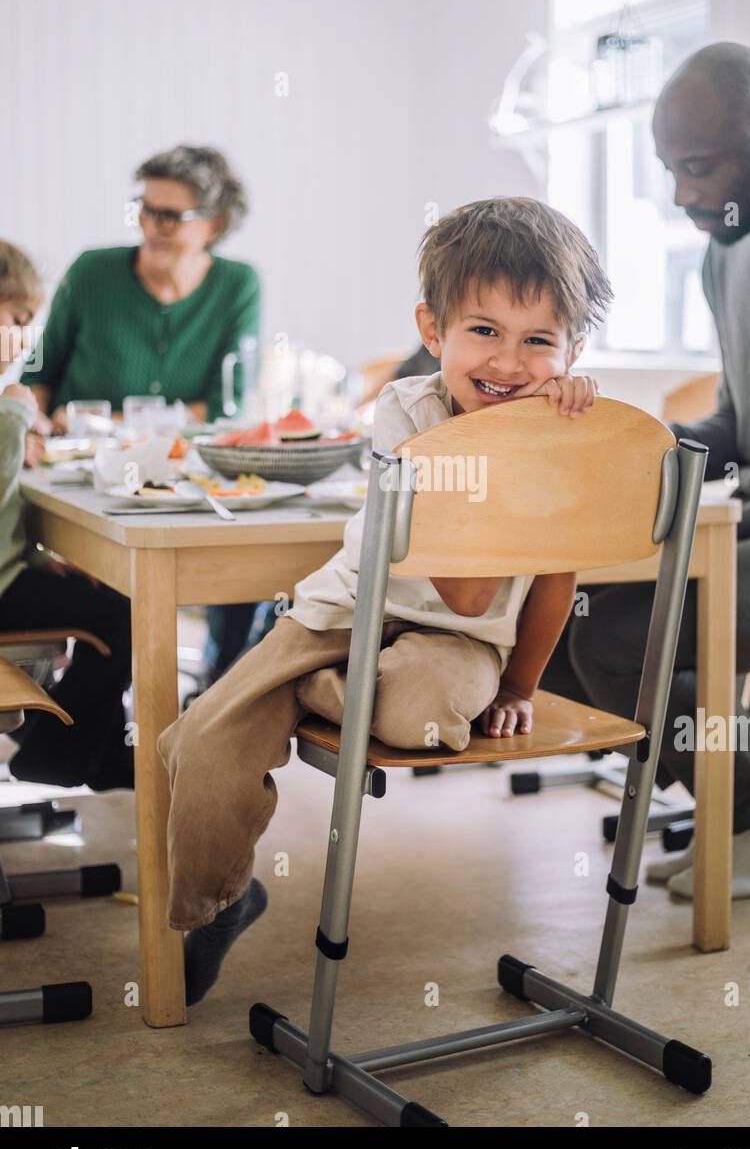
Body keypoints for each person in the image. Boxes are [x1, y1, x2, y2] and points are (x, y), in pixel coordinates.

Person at [156, 196, 610, 1005]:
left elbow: (524, 587)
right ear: (432, 332)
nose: (508, 364)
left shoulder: (568, 440)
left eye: (539, 340)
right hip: (346, 609)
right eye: (484, 332)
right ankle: (221, 898)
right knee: (202, 740)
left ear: (573, 351)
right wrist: (526, 440)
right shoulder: (405, 410)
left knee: (422, 720)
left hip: (458, 636)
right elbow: (450, 566)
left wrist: (518, 688)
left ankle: (301, 692)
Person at [566, 42, 750, 900]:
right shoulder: (727, 248)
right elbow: (738, 424)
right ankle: (741, 803)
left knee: (622, 637)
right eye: (670, 170)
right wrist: (633, 452)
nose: (683, 196)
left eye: (700, 167)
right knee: (568, 611)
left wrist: (737, 517)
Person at [19, 145, 262, 681]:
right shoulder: (92, 271)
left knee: (244, 564)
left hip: (183, 475)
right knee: (115, 590)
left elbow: (228, 402)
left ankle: (217, 700)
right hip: (81, 474)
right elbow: (38, 373)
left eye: (171, 215)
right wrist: (33, 425)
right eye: (145, 209)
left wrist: (110, 420)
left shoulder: (237, 284)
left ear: (214, 225)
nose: (152, 225)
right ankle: (103, 731)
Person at [0, 240, 133, 791]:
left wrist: (37, 558)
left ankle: (90, 752)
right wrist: (14, 414)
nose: (22, 338)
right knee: (125, 612)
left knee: (105, 596)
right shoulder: (10, 408)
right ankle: (59, 751)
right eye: (16, 317)